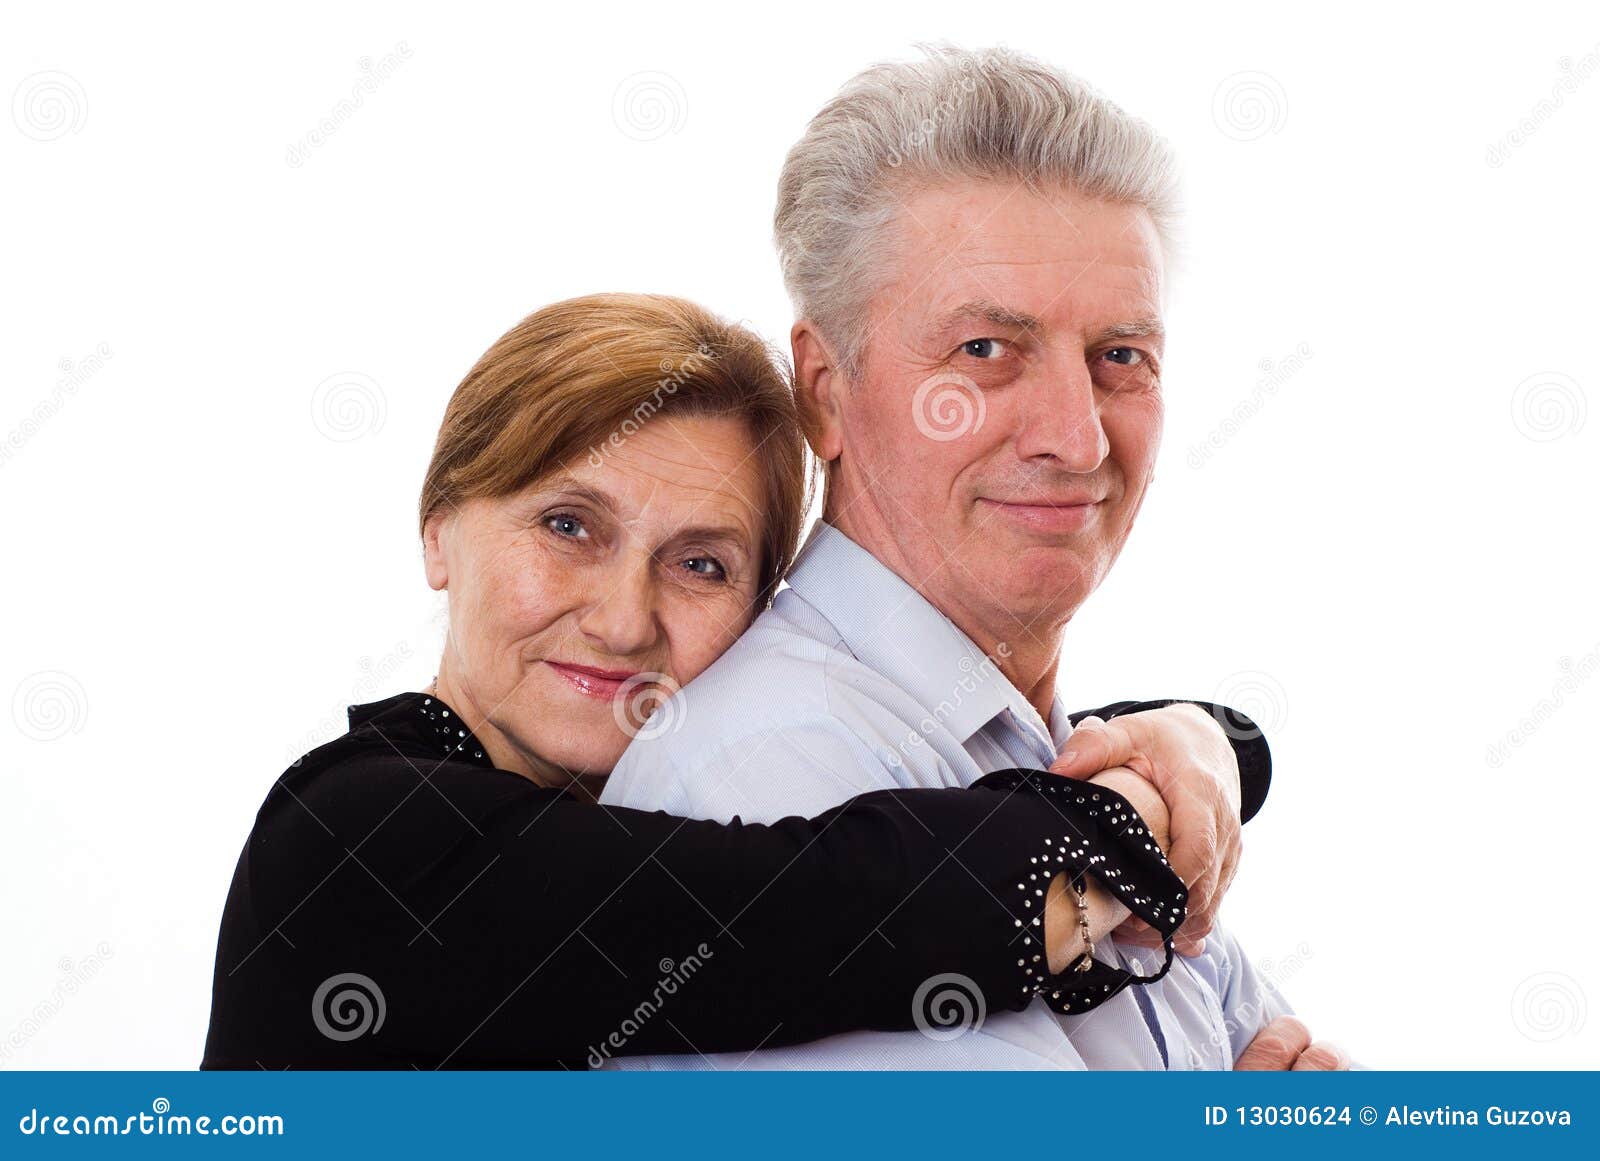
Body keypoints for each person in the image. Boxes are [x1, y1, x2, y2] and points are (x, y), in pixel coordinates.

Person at [201, 293, 1268, 1069]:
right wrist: (1153, 799)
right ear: (438, 533)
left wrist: (1210, 740)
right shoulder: (358, 837)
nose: (623, 618)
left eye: (700, 563)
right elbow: (844, 908)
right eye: (567, 526)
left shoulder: (649, 802)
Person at [601, 47, 1348, 1070]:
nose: (1076, 438)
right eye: (985, 353)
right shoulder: (774, 769)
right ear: (824, 391)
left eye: (1119, 357)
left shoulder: (1088, 768)